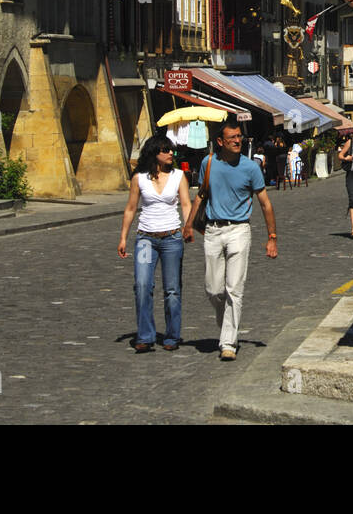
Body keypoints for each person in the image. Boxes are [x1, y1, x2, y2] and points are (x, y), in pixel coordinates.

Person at [185, 121, 278, 361]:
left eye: (239, 137)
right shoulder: (208, 163)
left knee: (234, 289)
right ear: (220, 142)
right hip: (213, 230)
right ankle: (226, 321)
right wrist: (188, 224)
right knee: (213, 289)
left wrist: (272, 238)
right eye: (232, 138)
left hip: (239, 230)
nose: (237, 141)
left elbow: (265, 204)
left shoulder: (251, 168)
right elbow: (201, 195)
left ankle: (228, 342)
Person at [118, 137, 192, 352]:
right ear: (154, 152)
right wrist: (123, 237)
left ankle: (172, 336)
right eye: (165, 150)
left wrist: (188, 227)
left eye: (171, 150)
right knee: (142, 285)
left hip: (172, 239)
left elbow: (186, 204)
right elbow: (131, 208)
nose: (171, 154)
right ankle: (145, 335)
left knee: (172, 290)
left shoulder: (179, 176)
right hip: (145, 240)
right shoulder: (139, 178)